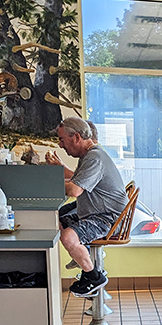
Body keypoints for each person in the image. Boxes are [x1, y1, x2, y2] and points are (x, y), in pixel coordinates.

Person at [45, 118, 128, 297]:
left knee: (68, 238)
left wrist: (48, 182)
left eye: (61, 139)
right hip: (96, 212)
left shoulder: (94, 157)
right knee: (56, 219)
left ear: (76, 137)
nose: (60, 145)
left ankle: (92, 276)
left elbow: (74, 189)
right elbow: (79, 179)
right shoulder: (90, 155)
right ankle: (83, 253)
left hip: (108, 219)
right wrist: (60, 172)